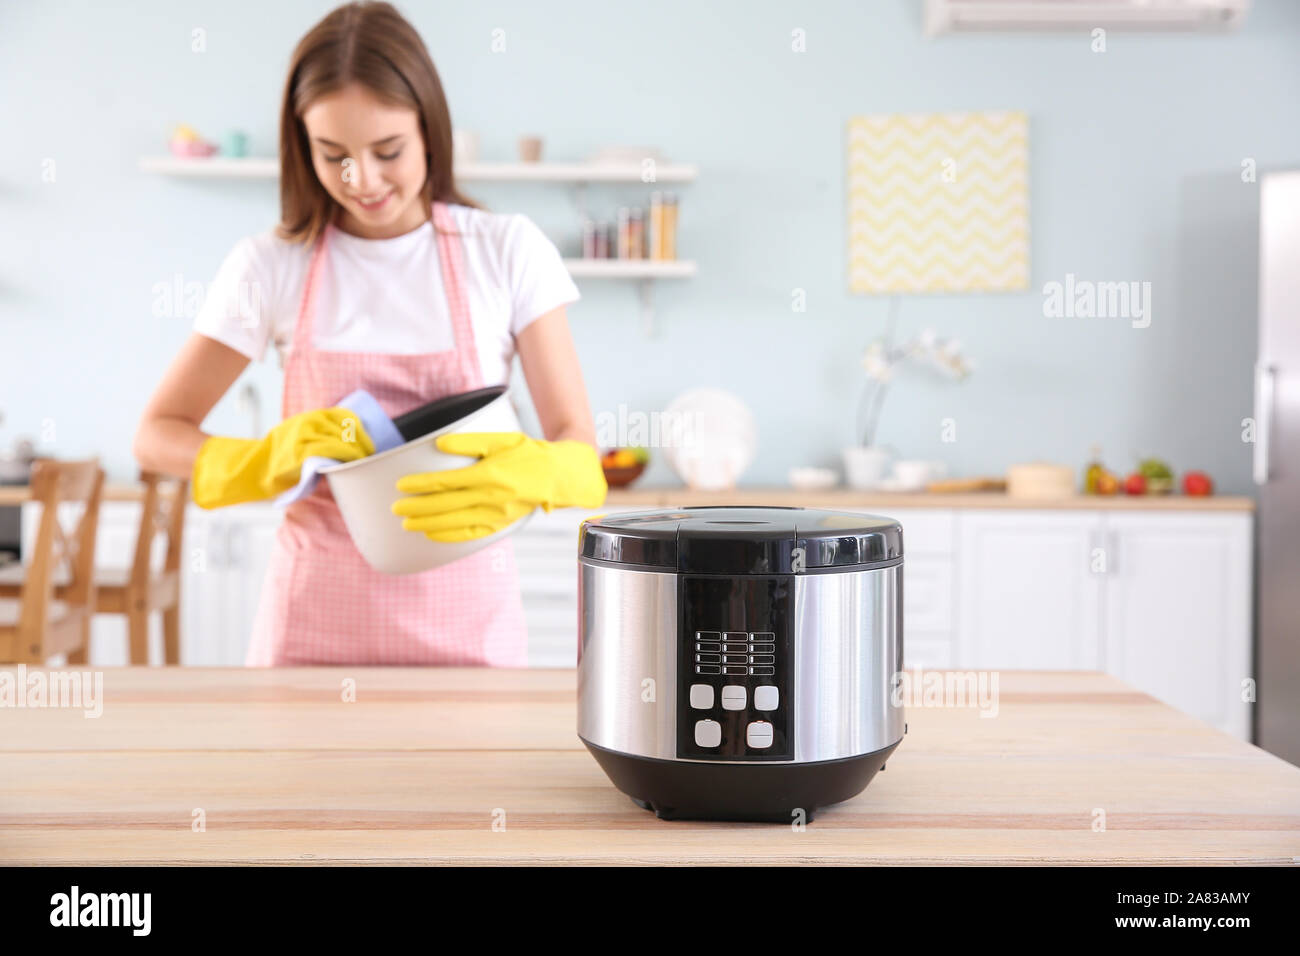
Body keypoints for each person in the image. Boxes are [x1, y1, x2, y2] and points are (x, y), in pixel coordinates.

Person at [133, 1, 607, 666]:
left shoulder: (506, 251)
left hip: (471, 635)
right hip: (312, 632)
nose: (364, 180)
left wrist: (544, 469)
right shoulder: (271, 264)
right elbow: (157, 434)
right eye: (333, 155)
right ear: (304, 147)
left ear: (429, 130)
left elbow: (582, 453)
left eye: (388, 151)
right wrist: (260, 460)